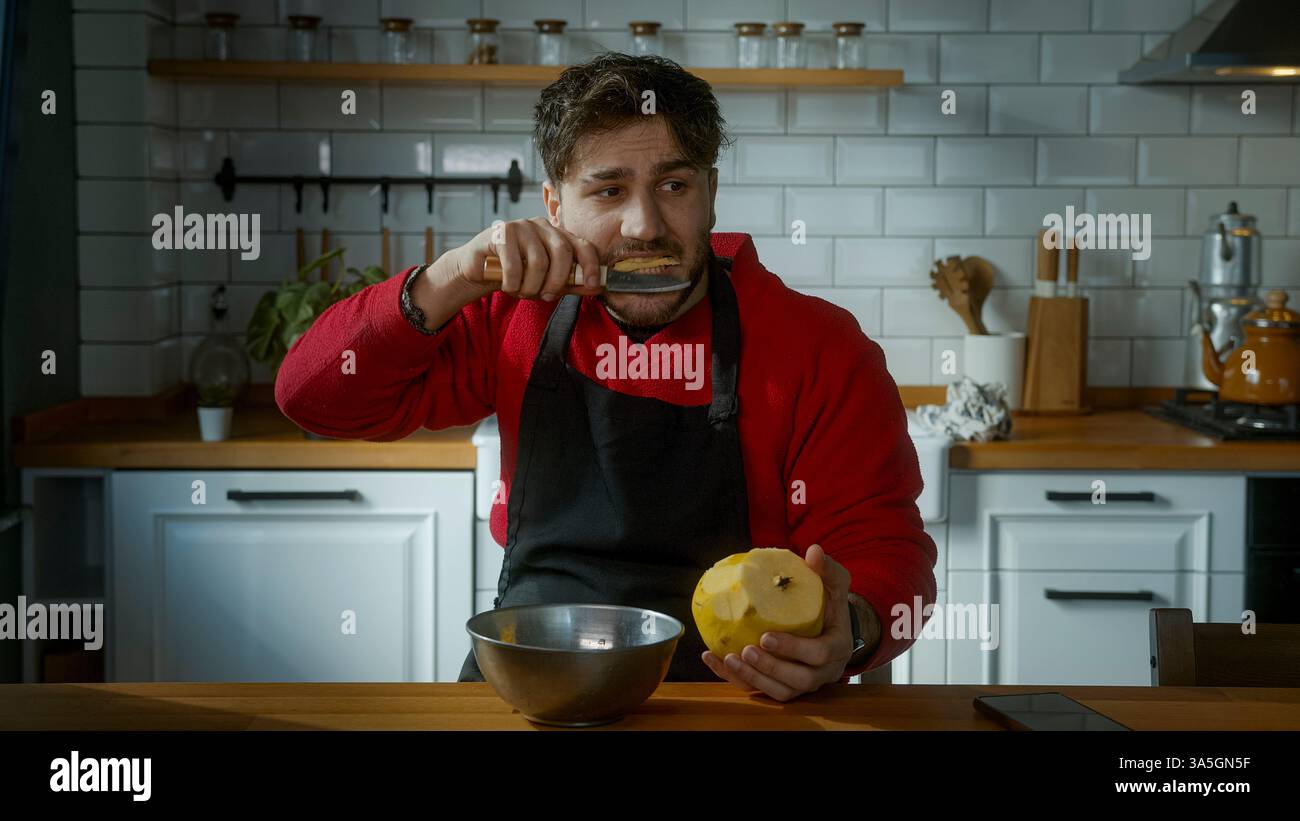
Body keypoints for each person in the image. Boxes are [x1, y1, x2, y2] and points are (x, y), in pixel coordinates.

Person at [275, 53, 937, 701]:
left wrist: (851, 630)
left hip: (739, 698)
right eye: (609, 190)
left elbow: (887, 549)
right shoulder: (510, 316)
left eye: (674, 186)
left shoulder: (819, 345)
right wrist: (449, 277)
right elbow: (311, 398)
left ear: (711, 195)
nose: (645, 225)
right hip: (532, 683)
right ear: (554, 206)